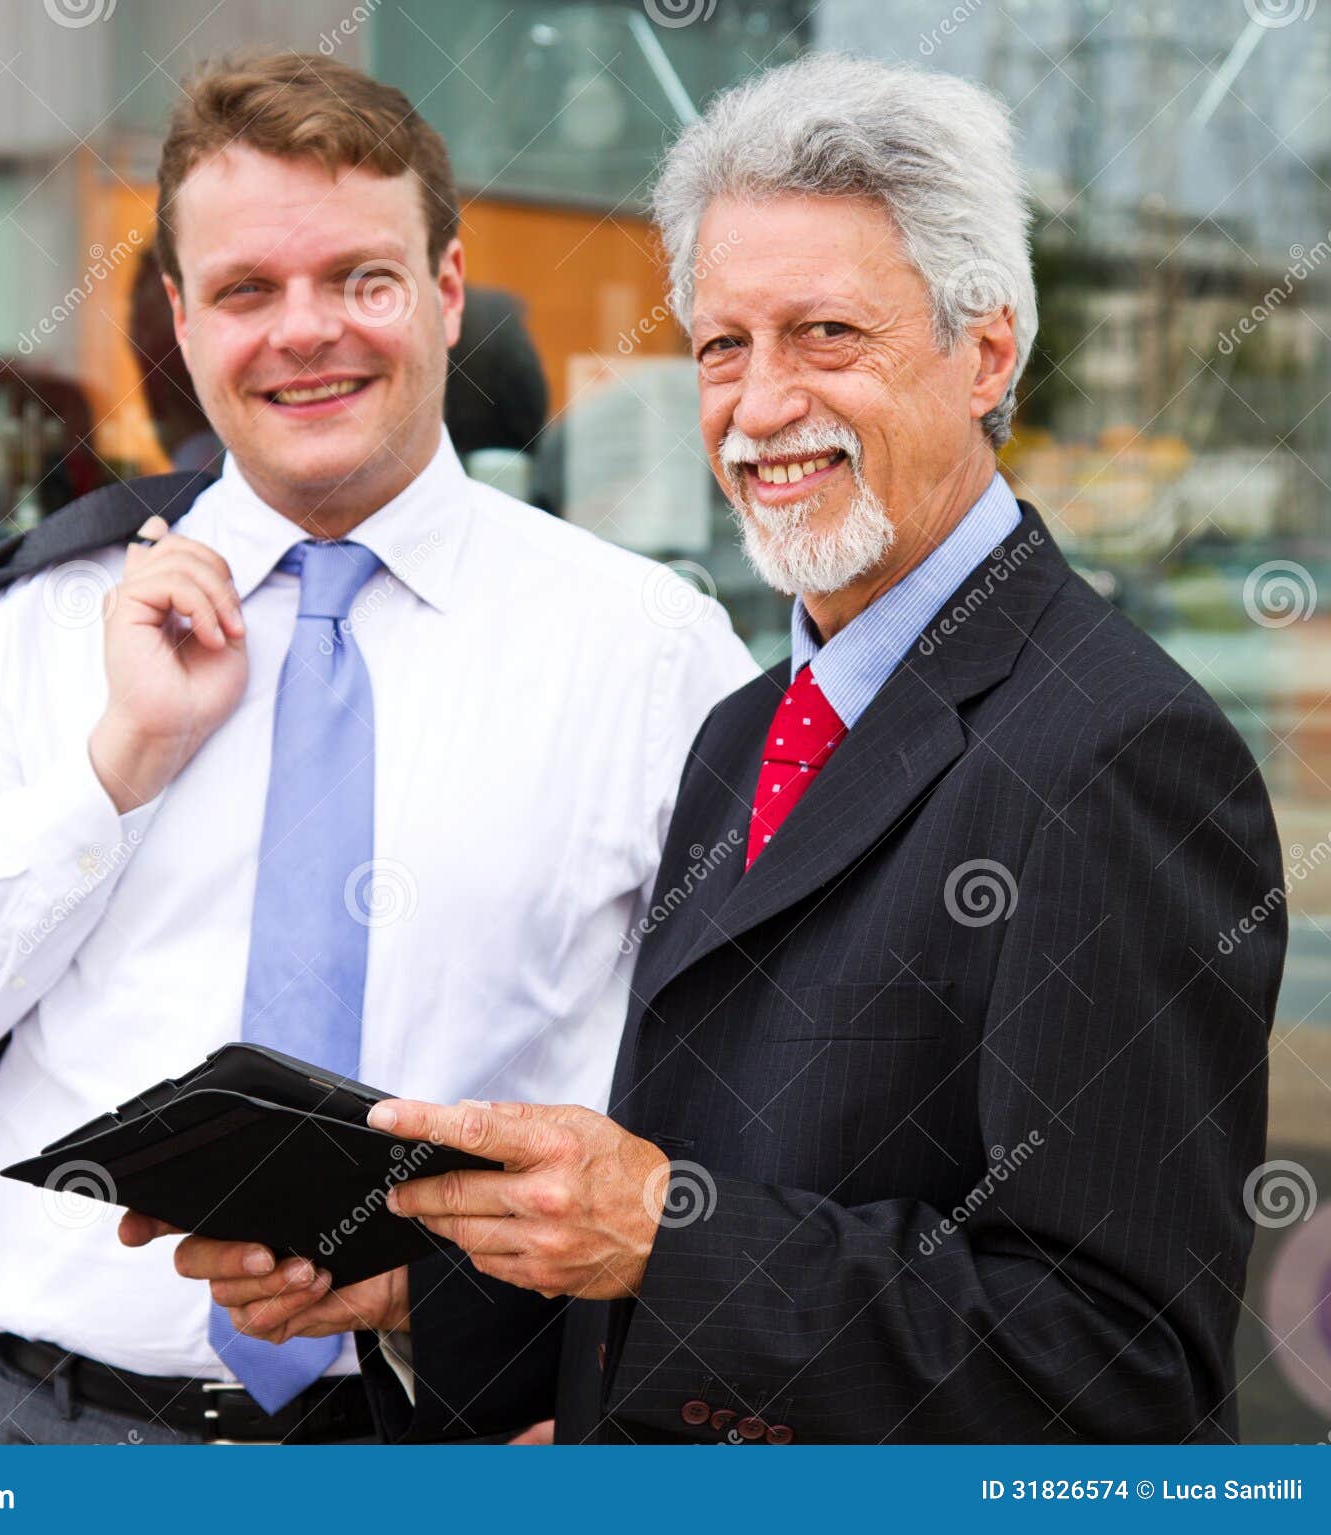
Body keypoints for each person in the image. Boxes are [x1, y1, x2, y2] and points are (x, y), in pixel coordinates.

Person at [164, 53, 1287, 1445]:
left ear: (986, 352)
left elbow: (1116, 1373)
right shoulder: (743, 733)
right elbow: (740, 1198)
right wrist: (439, 1284)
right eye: (721, 346)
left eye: (826, 336)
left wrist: (661, 1230)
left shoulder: (1121, 754)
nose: (760, 408)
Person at [0, 50, 754, 1446]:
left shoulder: (648, 650)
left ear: (444, 288)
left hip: (472, 1440)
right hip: (68, 1443)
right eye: (248, 290)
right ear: (183, 322)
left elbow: (753, 1075)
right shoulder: (34, 633)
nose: (304, 332)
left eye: (360, 279)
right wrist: (114, 763)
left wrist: (634, 1388)